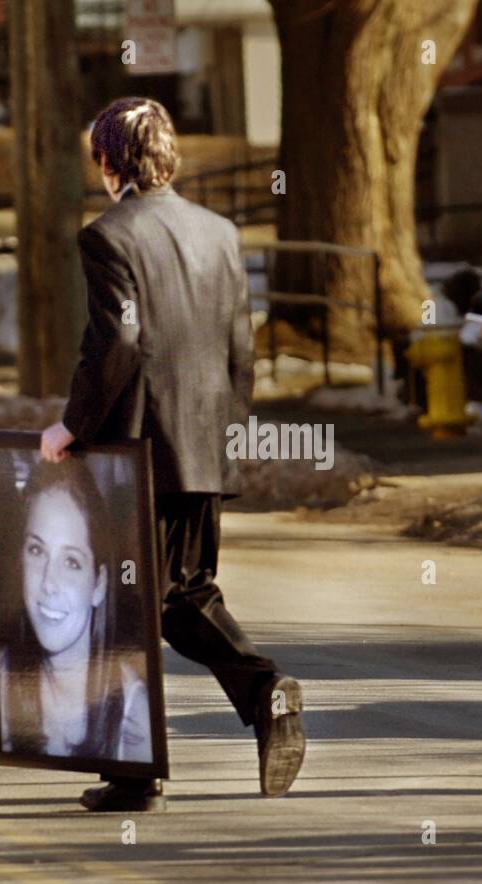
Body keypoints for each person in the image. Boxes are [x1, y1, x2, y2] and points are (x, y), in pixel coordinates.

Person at [40, 96, 305, 813]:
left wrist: (72, 425)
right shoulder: (220, 232)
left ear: (108, 160)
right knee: (183, 596)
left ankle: (134, 775)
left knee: (127, 607)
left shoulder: (107, 237)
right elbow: (242, 351)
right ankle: (266, 693)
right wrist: (225, 429)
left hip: (138, 455)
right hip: (203, 449)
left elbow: (118, 344)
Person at [0, 458, 152, 765]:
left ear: (98, 584)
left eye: (71, 561)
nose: (48, 583)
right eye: (36, 550)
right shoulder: (2, 678)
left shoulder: (132, 714)